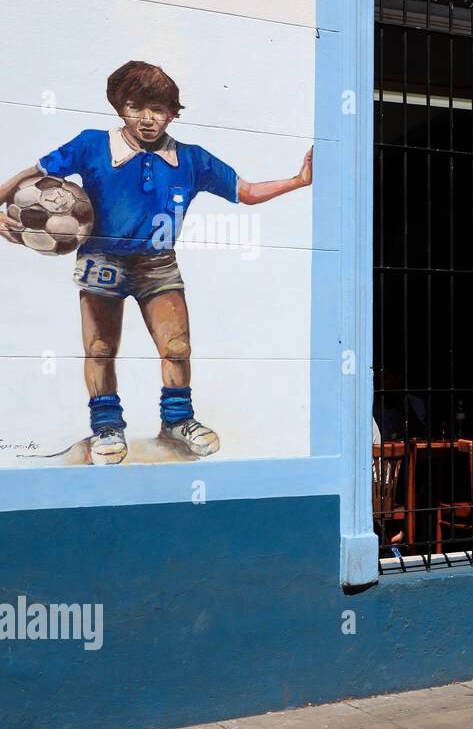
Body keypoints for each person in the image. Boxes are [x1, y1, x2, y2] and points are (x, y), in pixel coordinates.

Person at [0, 60, 313, 464]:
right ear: (119, 106)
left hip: (158, 265)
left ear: (172, 112)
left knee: (177, 347)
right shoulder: (92, 144)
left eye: (158, 109)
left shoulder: (192, 159)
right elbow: (36, 172)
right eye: (135, 107)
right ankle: (107, 428)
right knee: (99, 349)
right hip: (101, 261)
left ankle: (178, 421)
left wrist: (297, 180)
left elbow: (247, 191)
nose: (147, 119)